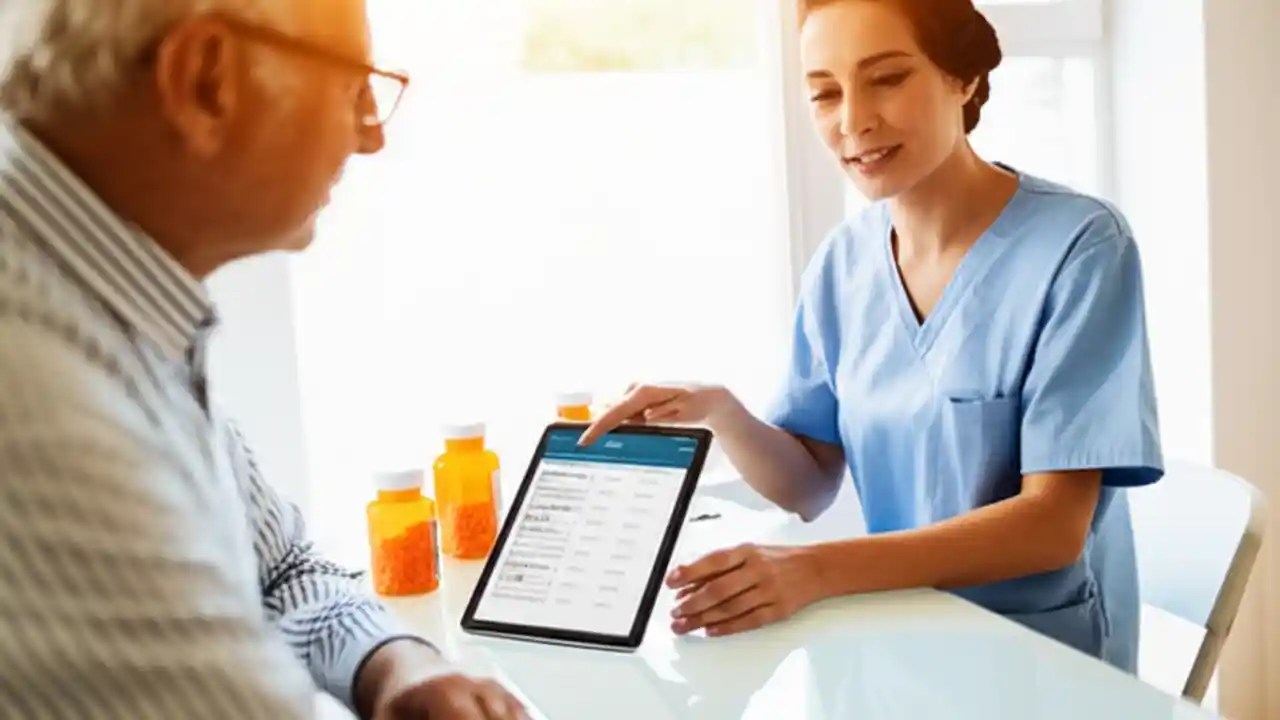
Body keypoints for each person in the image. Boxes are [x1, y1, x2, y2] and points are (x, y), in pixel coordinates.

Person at [580, 0, 1162, 673]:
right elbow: (808, 485)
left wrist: (814, 571)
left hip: (1043, 664)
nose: (852, 121)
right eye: (825, 93)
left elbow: (1053, 528)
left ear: (963, 77)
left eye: (887, 78)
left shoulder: (1082, 248)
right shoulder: (844, 263)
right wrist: (719, 411)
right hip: (899, 639)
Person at [0, 1, 525, 718]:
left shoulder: (114, 300)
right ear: (206, 79)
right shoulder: (31, 381)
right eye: (352, 87)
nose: (370, 134)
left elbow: (279, 571)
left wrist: (390, 665)